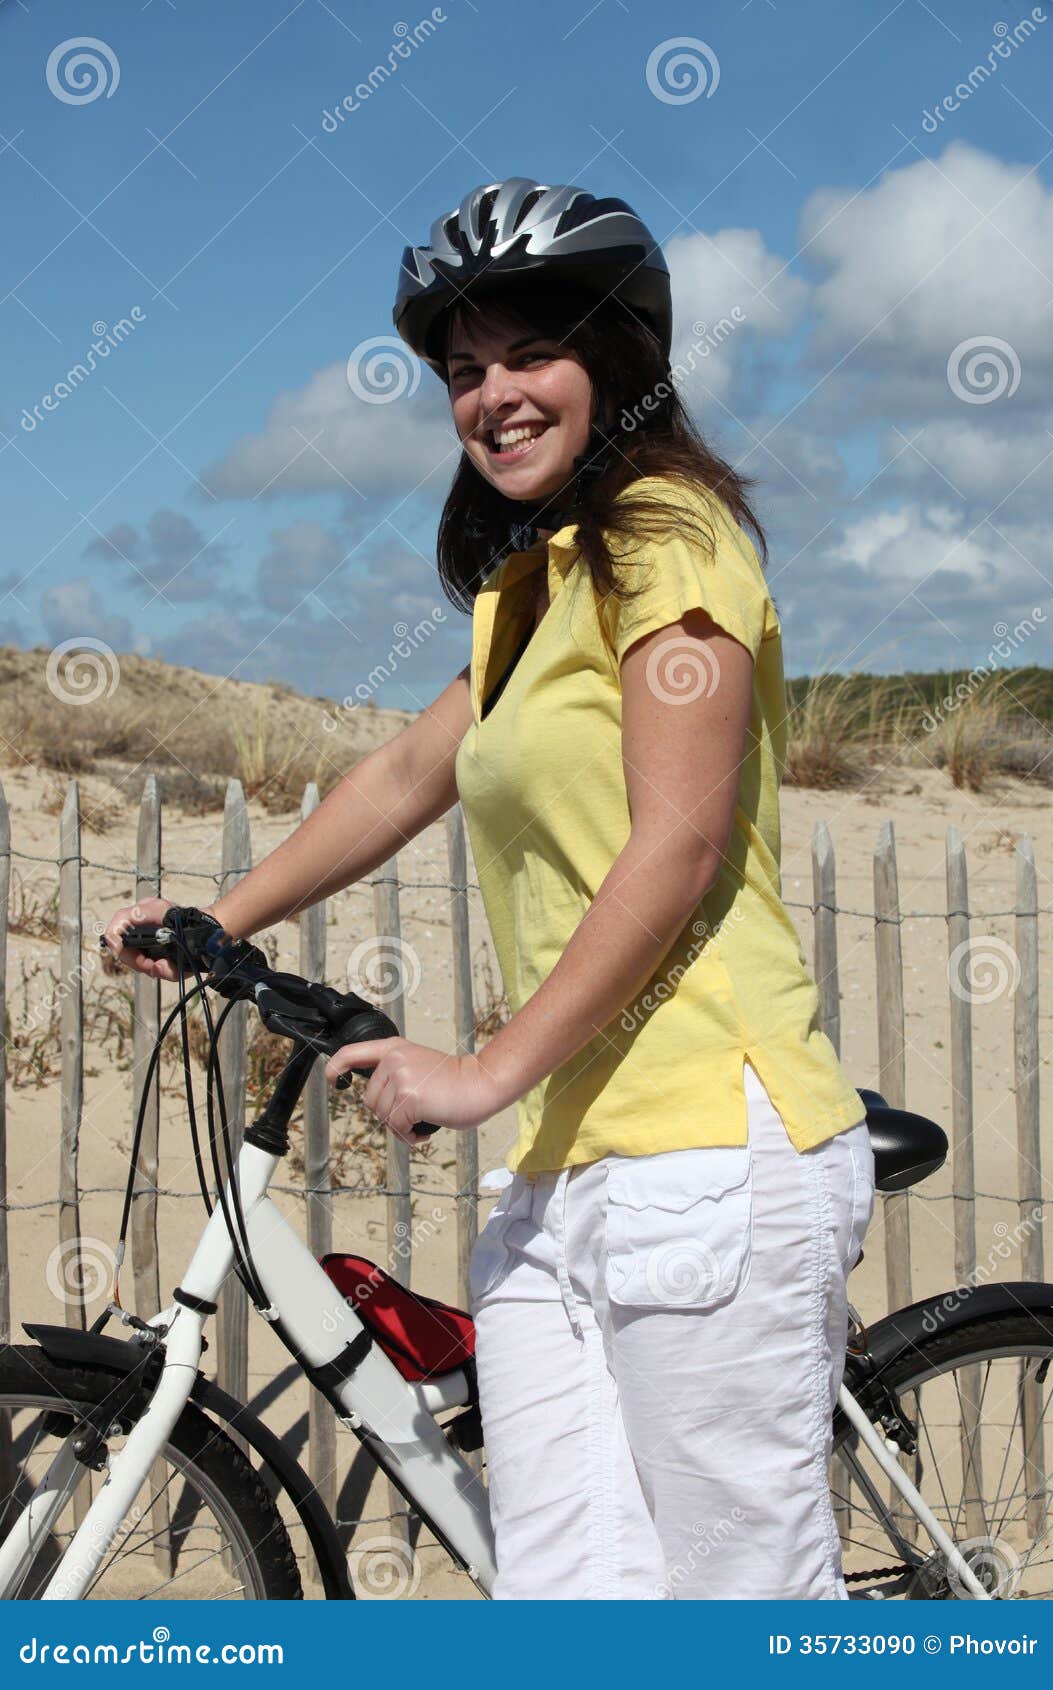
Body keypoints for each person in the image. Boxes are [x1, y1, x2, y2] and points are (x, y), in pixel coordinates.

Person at [104, 177, 875, 1601]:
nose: (494, 396)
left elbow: (679, 843)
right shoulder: (534, 584)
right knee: (565, 1597)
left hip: (707, 1145)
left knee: (745, 1603)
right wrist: (227, 913)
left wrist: (481, 1068)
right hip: (566, 1161)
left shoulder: (672, 542)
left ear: (619, 363)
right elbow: (410, 770)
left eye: (532, 355)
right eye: (466, 372)